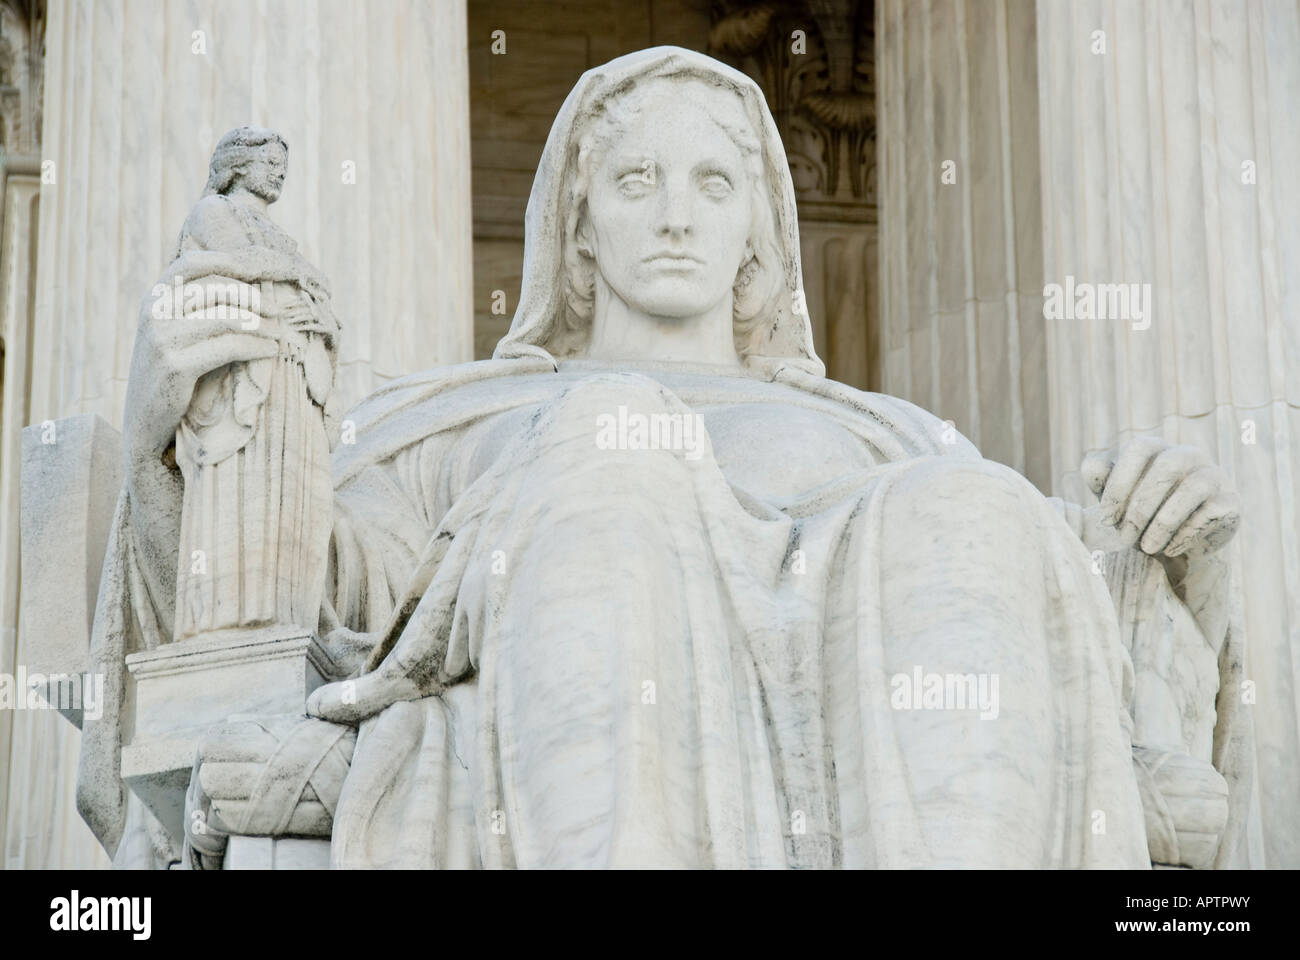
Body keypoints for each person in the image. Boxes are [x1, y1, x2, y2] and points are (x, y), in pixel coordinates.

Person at [100, 48, 1241, 869]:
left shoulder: (892, 437)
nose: (677, 217)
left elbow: (1087, 656)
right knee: (615, 434)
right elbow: (305, 609)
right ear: (577, 222)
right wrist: (179, 427)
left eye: (714, 183)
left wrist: (1166, 553)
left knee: (974, 505)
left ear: (760, 225)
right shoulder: (453, 421)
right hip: (582, 772)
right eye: (636, 182)